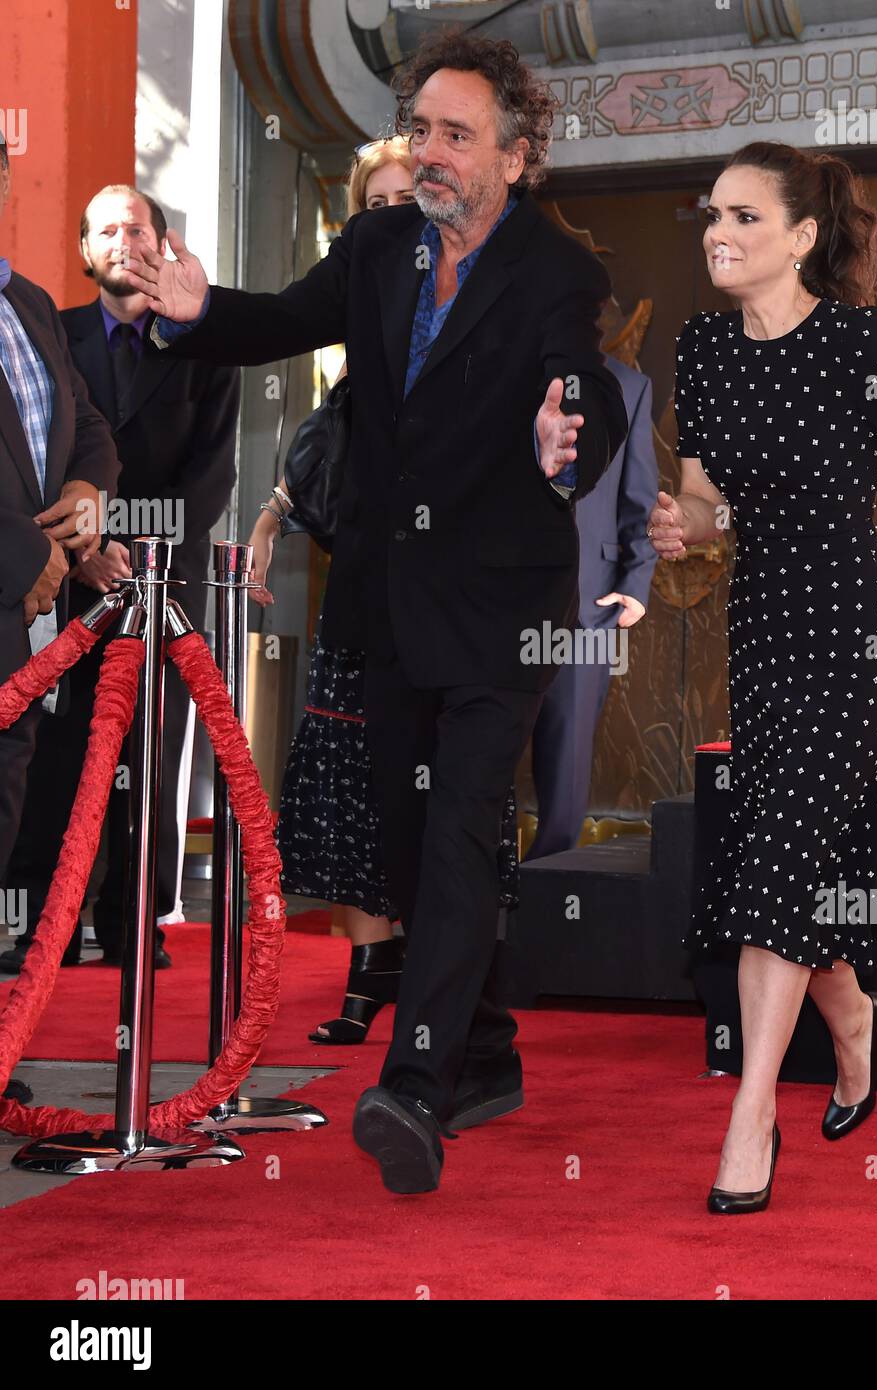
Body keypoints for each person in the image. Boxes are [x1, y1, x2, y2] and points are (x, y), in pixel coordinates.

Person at [123, 30, 628, 1193]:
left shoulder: (555, 269)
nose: (432, 153)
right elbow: (284, 318)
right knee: (406, 851)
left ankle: (415, 1081)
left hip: (502, 606)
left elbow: (581, 388)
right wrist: (203, 310)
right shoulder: (379, 242)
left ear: (515, 154)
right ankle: (487, 1046)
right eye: (422, 131)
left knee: (455, 828)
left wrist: (571, 439)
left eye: (457, 135)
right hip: (388, 603)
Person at [649, 141, 877, 1214]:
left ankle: (748, 1116)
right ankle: (851, 1018)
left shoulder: (861, 342)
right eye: (712, 213)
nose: (719, 231)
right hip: (758, 635)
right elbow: (708, 504)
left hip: (851, 642)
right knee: (790, 862)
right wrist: (685, 529)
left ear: (802, 237)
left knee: (772, 864)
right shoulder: (704, 348)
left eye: (745, 217)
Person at [248, 137, 519, 1045]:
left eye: (413, 197)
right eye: (378, 203)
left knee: (444, 797)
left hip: (455, 607)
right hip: (361, 594)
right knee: (348, 783)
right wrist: (273, 511)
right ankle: (369, 975)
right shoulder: (357, 325)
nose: (396, 216)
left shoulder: (476, 316)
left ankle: (450, 985)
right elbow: (325, 441)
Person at [1, 185, 238, 975]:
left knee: (152, 747)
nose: (120, 238)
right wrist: (83, 548)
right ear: (83, 250)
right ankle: (48, 925)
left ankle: (137, 924)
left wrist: (137, 546)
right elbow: (57, 453)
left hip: (164, 581)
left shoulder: (204, 345)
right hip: (66, 579)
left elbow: (212, 475)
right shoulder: (52, 327)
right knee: (59, 750)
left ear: (161, 241)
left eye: (135, 226)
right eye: (103, 227)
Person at [0, 129, 121, 1070]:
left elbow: (87, 425)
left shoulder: (31, 302)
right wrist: (24, 555)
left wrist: (85, 500)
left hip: (23, 627)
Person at [523, 350, 657, 861]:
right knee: (478, 765)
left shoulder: (629, 385)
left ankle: (543, 910)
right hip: (497, 602)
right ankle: (478, 910)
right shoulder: (504, 365)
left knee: (566, 773)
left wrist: (635, 585)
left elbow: (639, 499)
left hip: (590, 607)